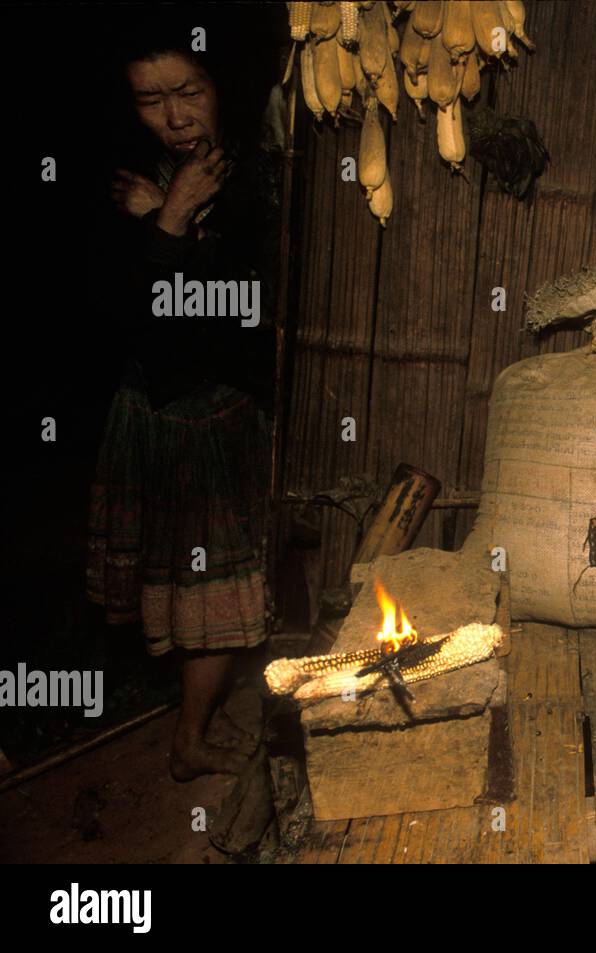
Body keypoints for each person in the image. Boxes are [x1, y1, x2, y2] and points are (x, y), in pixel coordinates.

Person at [87, 21, 278, 781]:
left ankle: (188, 737)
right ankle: (189, 735)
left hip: (216, 414)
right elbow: (119, 318)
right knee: (176, 582)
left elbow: (232, 320)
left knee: (215, 590)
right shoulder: (127, 172)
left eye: (188, 93)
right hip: (148, 412)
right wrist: (166, 224)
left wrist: (163, 228)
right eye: (150, 101)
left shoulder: (261, 175)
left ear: (220, 86)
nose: (173, 118)